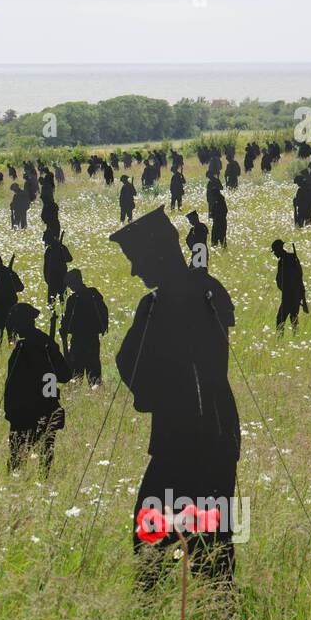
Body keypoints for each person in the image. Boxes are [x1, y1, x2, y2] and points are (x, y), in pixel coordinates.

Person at [110, 206, 239, 585]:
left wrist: (151, 394)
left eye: (137, 260)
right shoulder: (208, 289)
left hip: (184, 439)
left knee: (155, 531)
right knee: (211, 539)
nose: (135, 271)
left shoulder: (157, 304)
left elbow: (127, 361)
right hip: (217, 433)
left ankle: (158, 610)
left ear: (158, 254)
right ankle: (211, 610)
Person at [2, 302, 71, 473]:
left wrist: (10, 411)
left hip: (25, 412)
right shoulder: (47, 344)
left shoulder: (23, 348)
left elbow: (13, 385)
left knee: (17, 460)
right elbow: (65, 375)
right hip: (48, 408)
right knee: (45, 458)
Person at [60, 268, 107, 385]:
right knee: (94, 369)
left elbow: (67, 322)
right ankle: (96, 390)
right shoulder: (94, 294)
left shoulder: (73, 300)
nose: (69, 287)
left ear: (76, 281)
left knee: (76, 371)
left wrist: (64, 330)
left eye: (70, 283)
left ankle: (75, 393)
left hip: (78, 340)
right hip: (93, 338)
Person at [0, 253, 23, 350]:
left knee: (6, 337)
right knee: (3, 337)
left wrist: (11, 284)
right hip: (3, 310)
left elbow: (20, 287)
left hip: (5, 310)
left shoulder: (5, 275)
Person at [271, 240, 306, 332]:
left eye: (275, 251)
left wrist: (303, 300)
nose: (274, 254)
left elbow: (298, 279)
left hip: (290, 295)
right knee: (293, 318)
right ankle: (294, 338)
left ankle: (280, 340)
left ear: (279, 249)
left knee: (281, 319)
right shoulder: (286, 260)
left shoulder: (288, 260)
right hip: (290, 295)